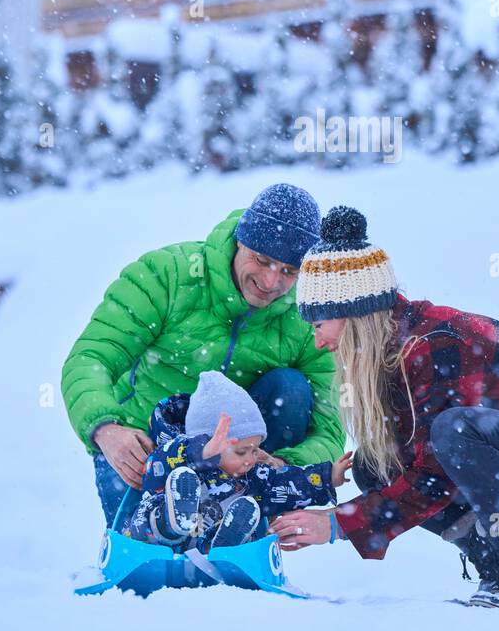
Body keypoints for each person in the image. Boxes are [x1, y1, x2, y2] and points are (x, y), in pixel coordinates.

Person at [270, 206, 499, 619]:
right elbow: (422, 469)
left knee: (455, 430)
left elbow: (436, 474)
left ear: (353, 315)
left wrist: (339, 524)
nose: (318, 341)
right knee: (374, 466)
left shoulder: (435, 344)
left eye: (319, 324)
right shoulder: (395, 350)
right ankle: (497, 573)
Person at [61, 184, 345, 526]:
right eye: (262, 260)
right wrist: (106, 430)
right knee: (149, 545)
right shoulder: (166, 275)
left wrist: (286, 466)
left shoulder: (309, 316)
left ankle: (245, 522)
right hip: (148, 446)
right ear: (241, 241)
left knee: (292, 387)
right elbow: (91, 358)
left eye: (289, 270)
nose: (271, 281)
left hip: (240, 458)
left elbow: (330, 423)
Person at [123, 372, 353, 551]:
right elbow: (154, 469)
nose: (251, 459)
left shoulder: (253, 476)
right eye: (242, 452)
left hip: (208, 546)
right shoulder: (173, 457)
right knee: (151, 510)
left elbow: (287, 483)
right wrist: (202, 451)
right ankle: (172, 520)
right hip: (155, 543)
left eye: (256, 449)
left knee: (248, 515)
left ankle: (225, 543)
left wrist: (326, 477)